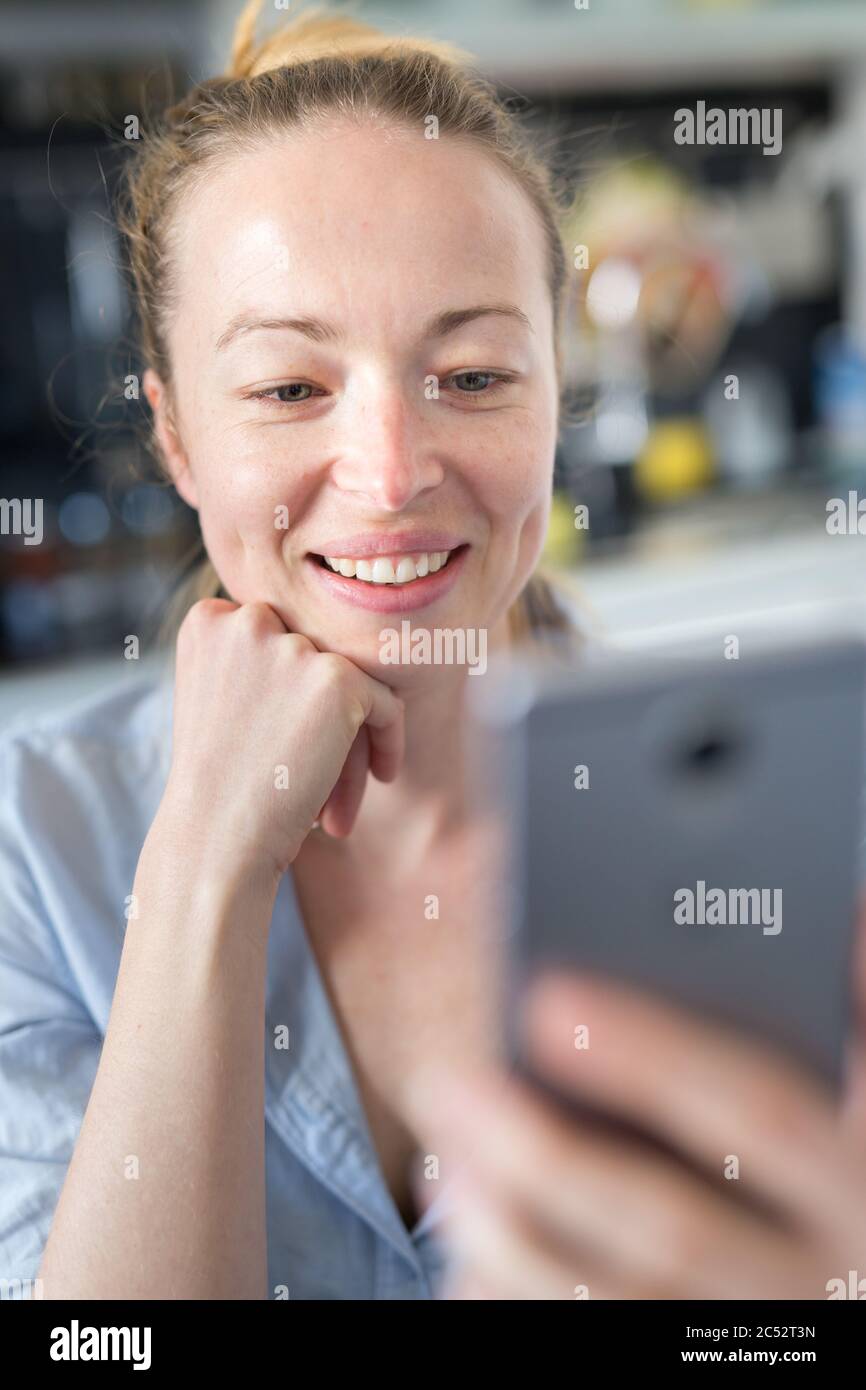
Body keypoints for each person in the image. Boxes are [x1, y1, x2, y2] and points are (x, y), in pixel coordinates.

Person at [1, 0, 864, 1301]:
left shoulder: (791, 828)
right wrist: (205, 859)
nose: (392, 475)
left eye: (470, 375)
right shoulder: (36, 854)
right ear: (177, 439)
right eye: (291, 388)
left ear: (557, 388)